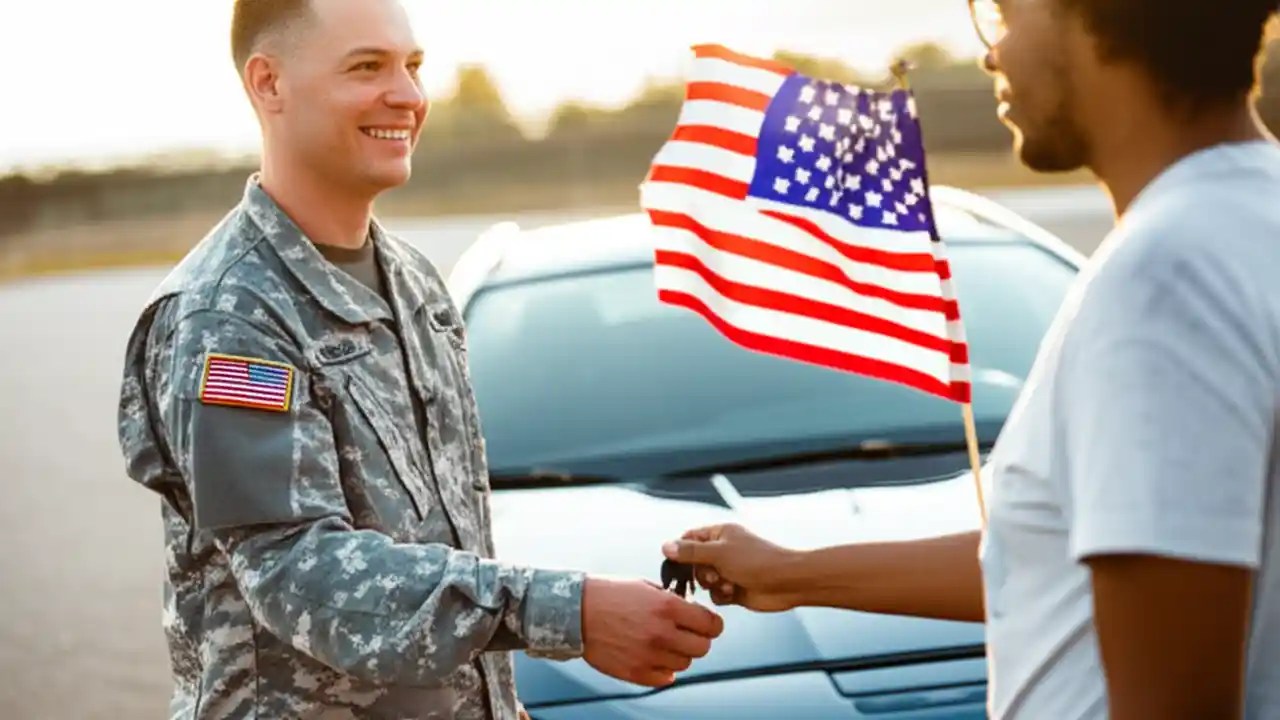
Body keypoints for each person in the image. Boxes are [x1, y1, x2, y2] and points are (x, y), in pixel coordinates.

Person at [663, 1, 1280, 718]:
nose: (992, 54)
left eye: (1004, 15)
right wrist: (791, 573)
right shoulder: (1249, 219)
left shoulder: (1162, 277)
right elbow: (1070, 560)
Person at [114, 0, 723, 717]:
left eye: (412, 66)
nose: (406, 94)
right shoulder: (227, 314)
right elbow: (296, 571)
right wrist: (566, 610)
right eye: (366, 67)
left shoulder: (415, 284)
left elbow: (449, 540)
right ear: (268, 84)